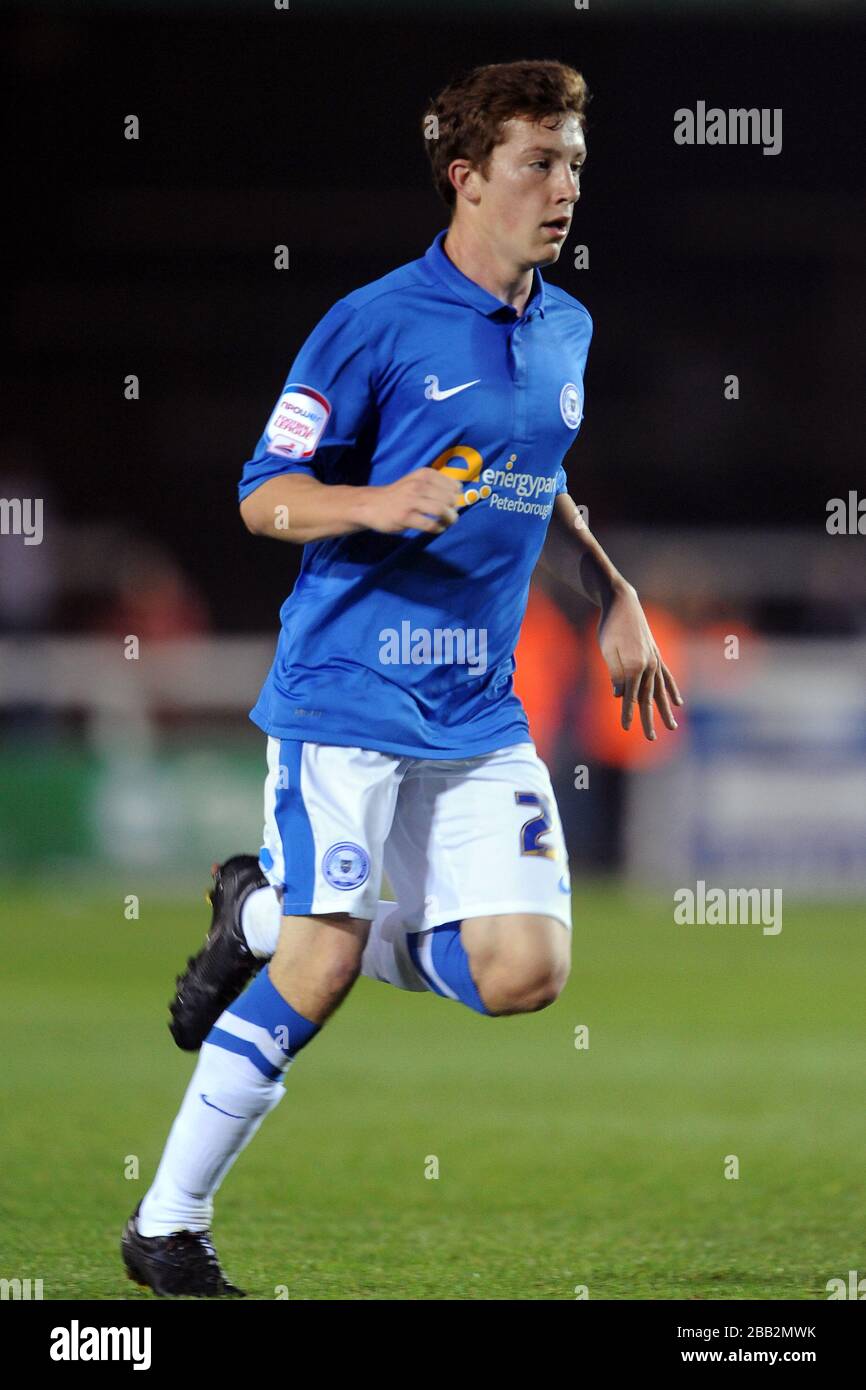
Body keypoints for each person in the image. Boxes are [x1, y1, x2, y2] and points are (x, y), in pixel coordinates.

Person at [122, 57, 682, 1297]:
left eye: (575, 163)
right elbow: (263, 496)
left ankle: (255, 913)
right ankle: (167, 1227)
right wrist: (377, 499)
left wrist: (611, 591)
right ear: (465, 176)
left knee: (525, 972)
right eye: (538, 162)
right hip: (347, 697)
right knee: (319, 969)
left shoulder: (565, 326)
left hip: (477, 710)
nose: (564, 187)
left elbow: (540, 478)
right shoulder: (370, 323)